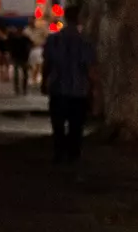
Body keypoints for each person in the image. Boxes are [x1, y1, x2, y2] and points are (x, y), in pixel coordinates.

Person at [40, 14, 98, 163]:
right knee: (76, 125)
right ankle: (73, 153)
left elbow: (47, 63)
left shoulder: (54, 40)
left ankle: (59, 152)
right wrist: (93, 88)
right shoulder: (85, 42)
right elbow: (89, 68)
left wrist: (44, 81)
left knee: (58, 124)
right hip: (79, 90)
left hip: (58, 87)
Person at [6, 28, 33, 95]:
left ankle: (23, 88)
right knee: (17, 74)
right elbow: (9, 47)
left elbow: (31, 44)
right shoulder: (13, 38)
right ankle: (18, 88)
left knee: (24, 73)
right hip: (17, 57)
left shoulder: (25, 38)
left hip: (23, 57)